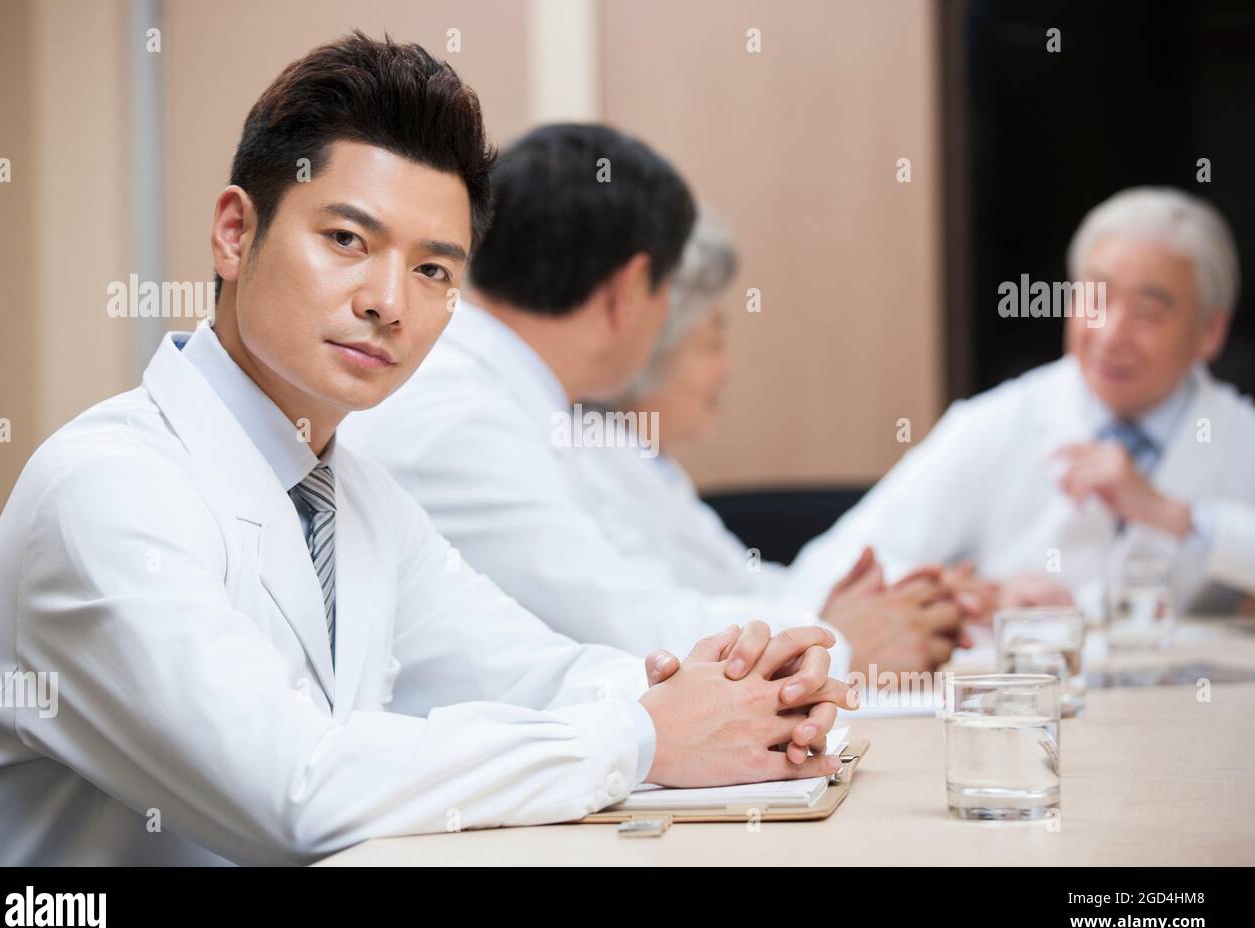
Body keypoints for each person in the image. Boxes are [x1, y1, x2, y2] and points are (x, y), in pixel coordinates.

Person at [0, 33, 851, 867]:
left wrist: (745, 698)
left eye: (433, 270)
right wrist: (649, 735)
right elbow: (297, 790)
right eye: (347, 240)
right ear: (236, 232)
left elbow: (540, 672)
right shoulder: (106, 493)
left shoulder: (361, 500)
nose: (390, 301)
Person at [341, 123, 966, 678]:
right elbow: (621, 628)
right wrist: (838, 641)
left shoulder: (514, 396)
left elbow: (663, 595)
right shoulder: (459, 414)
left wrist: (855, 621)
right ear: (629, 290)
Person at [789, 187, 1255, 615]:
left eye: (1147, 313)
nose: (1110, 335)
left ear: (1210, 332)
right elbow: (826, 567)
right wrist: (976, 594)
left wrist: (1172, 515)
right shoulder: (997, 422)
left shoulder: (1239, 434)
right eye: (1094, 298)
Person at [570, 206, 971, 674]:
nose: (728, 368)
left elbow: (754, 589)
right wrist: (839, 634)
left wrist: (910, 598)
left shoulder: (648, 467)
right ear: (651, 343)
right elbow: (656, 629)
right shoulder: (586, 466)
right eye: (713, 343)